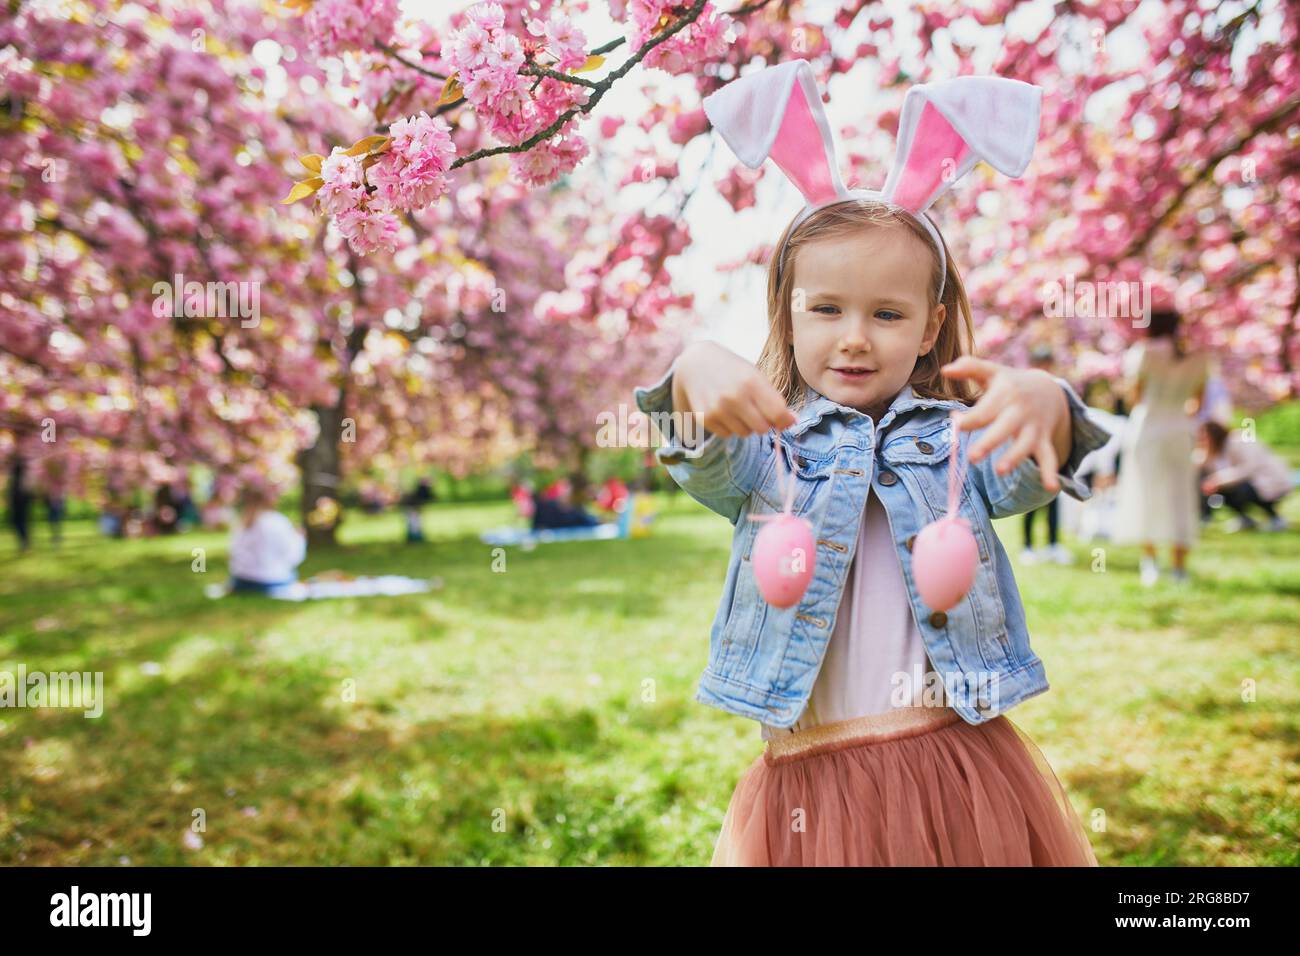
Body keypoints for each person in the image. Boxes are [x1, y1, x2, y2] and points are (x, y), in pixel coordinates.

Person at [633, 67, 1106, 865]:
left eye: (887, 314)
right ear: (787, 311)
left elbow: (1023, 471)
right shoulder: (767, 443)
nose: (855, 337)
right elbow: (703, 461)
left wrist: (1048, 405)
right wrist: (691, 370)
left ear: (931, 329)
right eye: (826, 309)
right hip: (808, 780)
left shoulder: (956, 440)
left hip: (949, 757)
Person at [1111, 307, 1208, 586]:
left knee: (1146, 492)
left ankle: (1150, 562)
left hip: (1148, 428)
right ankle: (1179, 567)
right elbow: (1197, 403)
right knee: (1181, 496)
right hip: (1180, 429)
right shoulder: (1199, 356)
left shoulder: (1143, 352)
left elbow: (1135, 397)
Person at [1020, 346, 1073, 565]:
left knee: (1053, 500)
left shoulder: (1058, 389)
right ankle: (1028, 547)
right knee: (1030, 502)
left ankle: (1052, 544)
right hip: (1032, 453)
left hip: (1054, 452)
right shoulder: (1024, 388)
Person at [1196, 420, 1291, 532]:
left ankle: (1275, 518)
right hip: (1251, 482)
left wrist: (1218, 480)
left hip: (1270, 482)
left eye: (1205, 438)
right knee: (1214, 487)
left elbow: (1248, 468)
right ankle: (1244, 519)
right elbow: (1197, 463)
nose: (1203, 442)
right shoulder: (1215, 450)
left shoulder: (1239, 440)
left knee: (1238, 490)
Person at [228, 485, 306, 593]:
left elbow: (234, 554)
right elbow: (293, 557)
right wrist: (300, 539)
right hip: (270, 581)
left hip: (241, 581)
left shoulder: (242, 522)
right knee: (292, 575)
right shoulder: (277, 521)